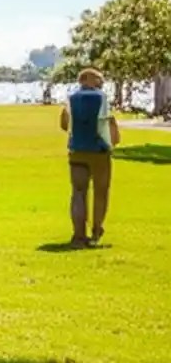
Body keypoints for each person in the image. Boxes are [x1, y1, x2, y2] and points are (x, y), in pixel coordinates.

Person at [59, 68, 121, 248]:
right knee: (101, 192)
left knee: (78, 192)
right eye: (98, 79)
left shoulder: (71, 99)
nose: (101, 82)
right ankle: (95, 232)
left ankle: (78, 236)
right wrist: (114, 141)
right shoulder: (101, 98)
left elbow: (64, 124)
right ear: (88, 79)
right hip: (99, 150)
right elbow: (109, 121)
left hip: (77, 150)